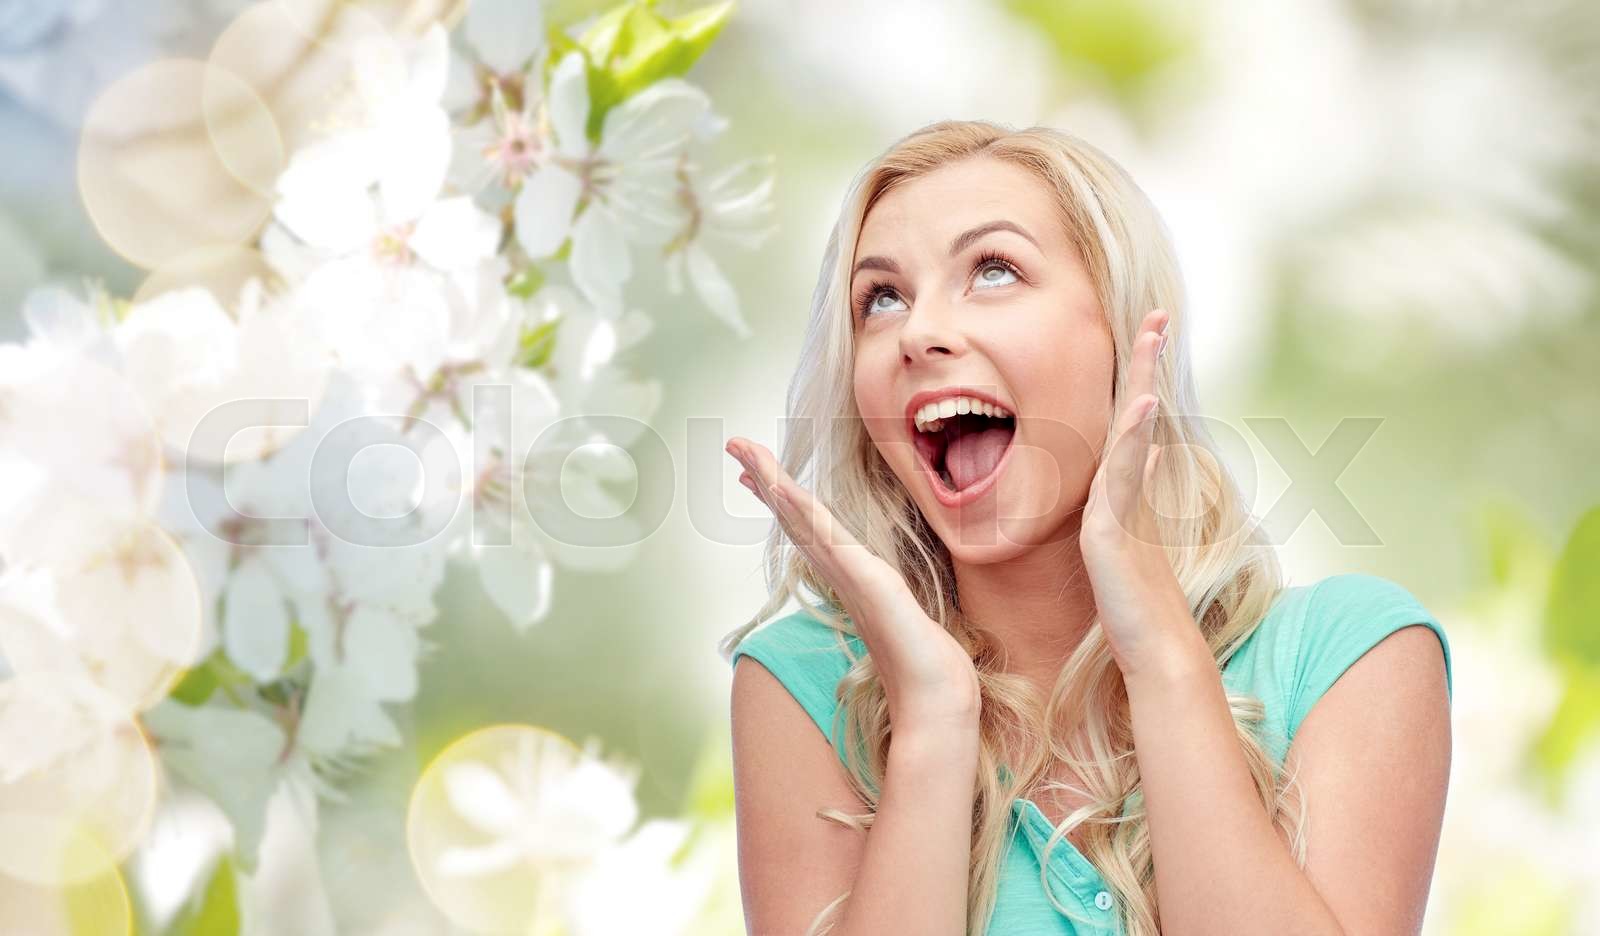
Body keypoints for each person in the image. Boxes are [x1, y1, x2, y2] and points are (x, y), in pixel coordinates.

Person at [718, 120, 1453, 936]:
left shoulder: (1349, 656)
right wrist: (931, 717)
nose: (917, 333)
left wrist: (1159, 652)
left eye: (993, 270)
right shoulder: (805, 686)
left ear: (1124, 330)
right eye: (882, 298)